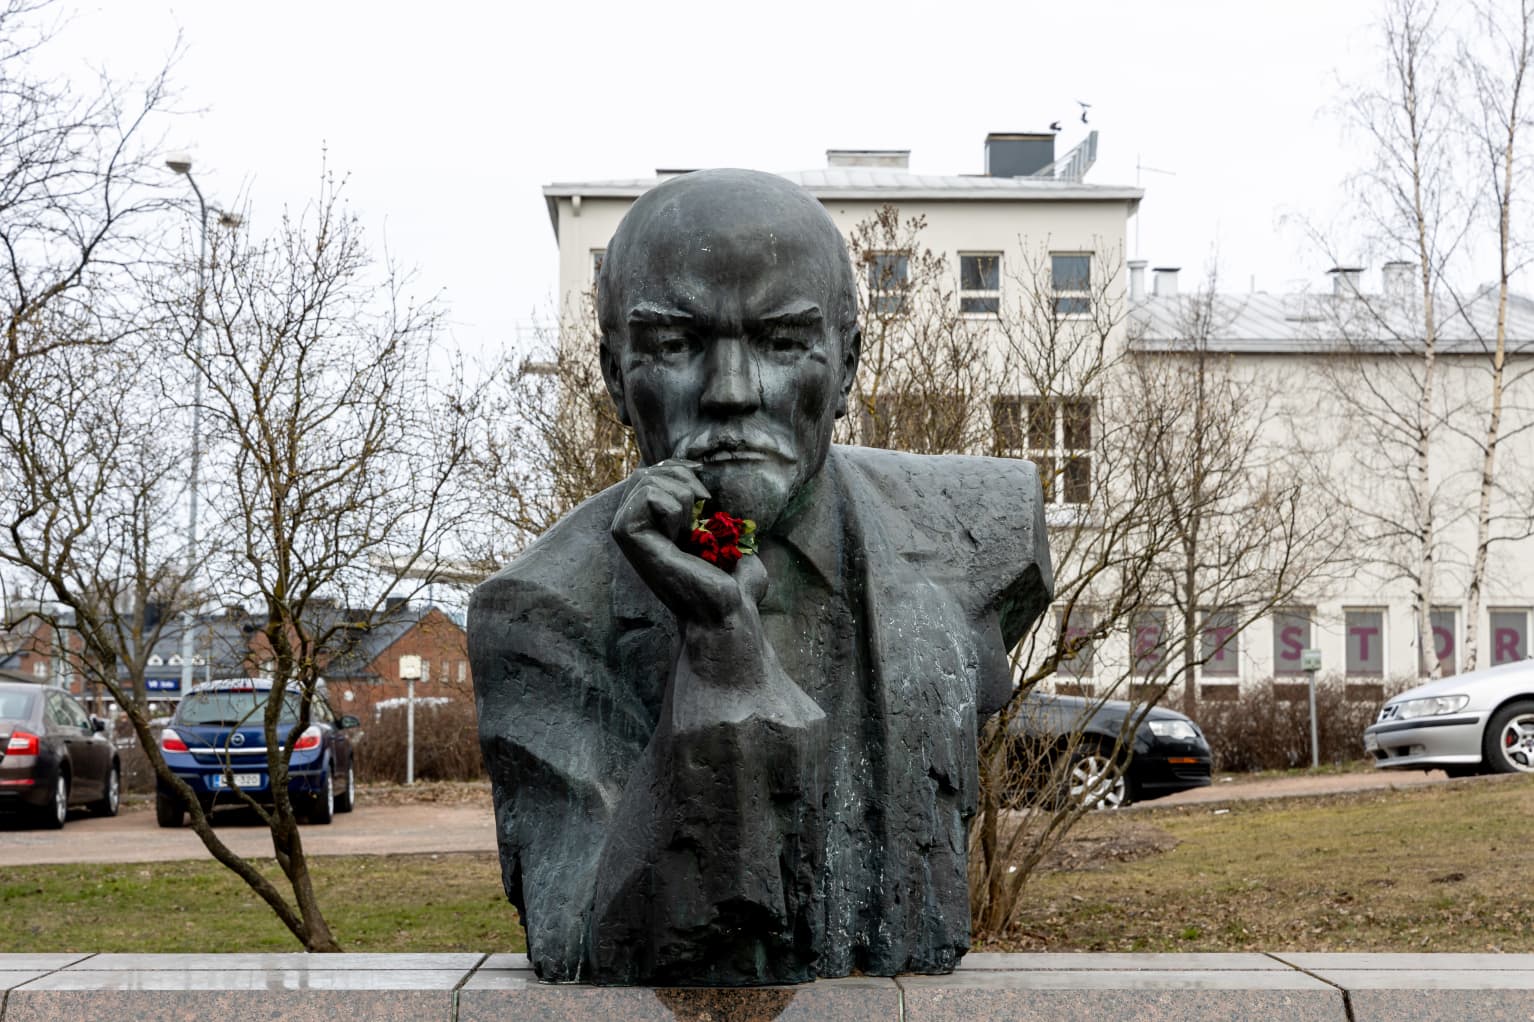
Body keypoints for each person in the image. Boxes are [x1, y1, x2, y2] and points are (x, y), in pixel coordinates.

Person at [469, 169, 1052, 986]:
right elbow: (590, 939)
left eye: (782, 343)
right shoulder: (537, 614)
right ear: (613, 376)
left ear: (848, 365)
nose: (731, 394)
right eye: (675, 346)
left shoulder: (982, 529)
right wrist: (722, 666)